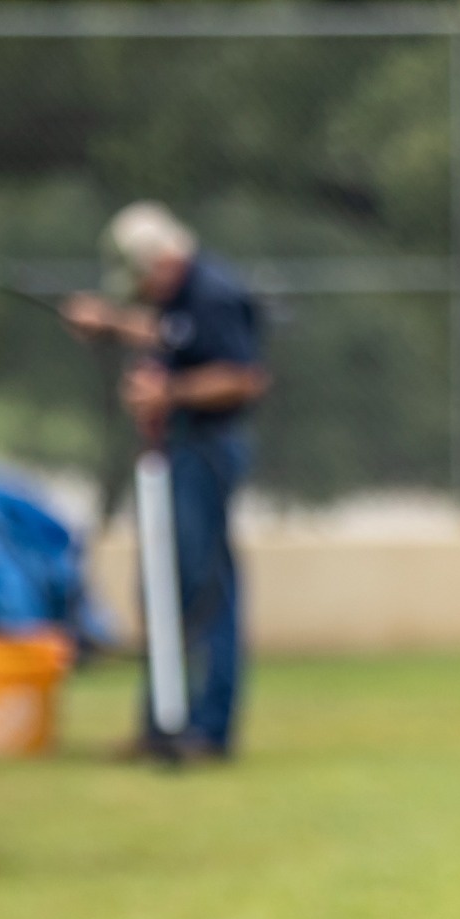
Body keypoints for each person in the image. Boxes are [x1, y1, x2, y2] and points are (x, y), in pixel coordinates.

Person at [61, 202, 270, 762]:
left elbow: (244, 377)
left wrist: (169, 394)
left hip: (206, 451)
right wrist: (109, 322)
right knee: (163, 585)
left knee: (203, 588)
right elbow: (170, 335)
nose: (143, 293)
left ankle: (204, 728)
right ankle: (162, 723)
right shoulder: (179, 298)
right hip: (174, 451)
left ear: (162, 261)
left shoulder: (214, 292)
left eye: (143, 280)